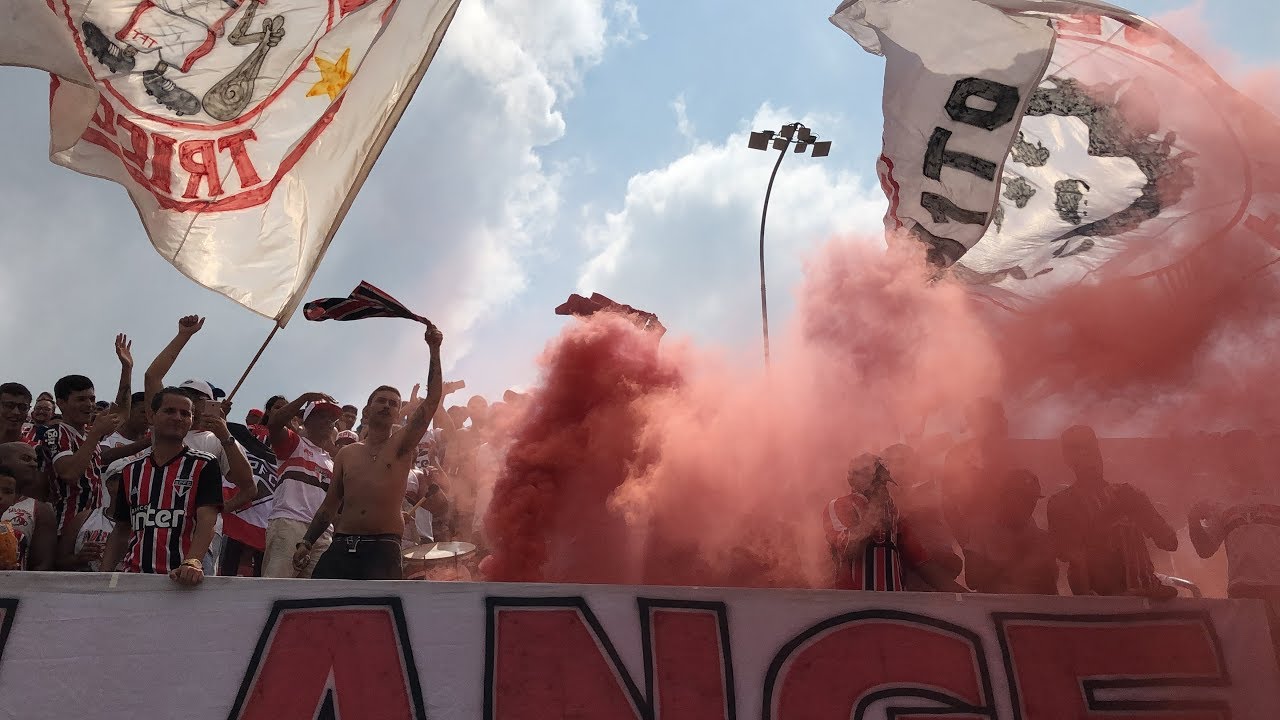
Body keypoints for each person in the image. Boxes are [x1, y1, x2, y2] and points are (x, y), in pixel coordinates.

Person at [295, 324, 445, 580]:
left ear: (399, 413)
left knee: (377, 616)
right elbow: (329, 507)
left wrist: (434, 349)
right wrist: (306, 542)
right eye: (381, 401)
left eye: (393, 404)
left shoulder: (401, 445)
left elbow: (431, 401)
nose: (387, 406)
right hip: (342, 543)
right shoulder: (347, 454)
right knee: (320, 610)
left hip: (383, 546)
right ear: (367, 409)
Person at [101, 388, 224, 586]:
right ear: (151, 416)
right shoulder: (130, 470)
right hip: (134, 578)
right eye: (169, 411)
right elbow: (122, 529)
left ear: (192, 420)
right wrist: (102, 576)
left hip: (181, 581)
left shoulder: (204, 464)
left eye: (185, 414)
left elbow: (207, 520)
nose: (178, 418)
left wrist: (192, 563)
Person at [1047, 425, 1178, 598]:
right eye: (1077, 449)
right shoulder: (1062, 503)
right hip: (1105, 607)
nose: (1086, 455)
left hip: (1150, 599)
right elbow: (1071, 557)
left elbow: (1169, 543)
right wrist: (1111, 513)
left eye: (1090, 447)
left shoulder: (1130, 494)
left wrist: (1148, 517)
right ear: (1068, 459)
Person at [1187, 429, 1280, 659]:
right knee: (1253, 659)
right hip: (1243, 590)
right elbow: (1205, 550)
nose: (1239, 459)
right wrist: (1193, 520)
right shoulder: (1221, 502)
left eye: (1245, 451)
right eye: (1232, 454)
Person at [822, 453, 968, 592]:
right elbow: (849, 548)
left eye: (882, 480)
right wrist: (874, 512)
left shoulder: (892, 513)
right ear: (852, 479)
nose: (880, 485)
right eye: (873, 477)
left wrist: (967, 597)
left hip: (894, 601)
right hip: (852, 604)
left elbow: (921, 562)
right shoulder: (839, 505)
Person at [261, 393, 341, 578]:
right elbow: (274, 423)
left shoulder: (332, 462)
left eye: (332, 419)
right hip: (290, 523)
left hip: (322, 534)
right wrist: (306, 397)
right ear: (307, 421)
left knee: (311, 598)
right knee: (275, 588)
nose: (329, 422)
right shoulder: (293, 443)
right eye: (322, 416)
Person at [44, 375, 119, 536]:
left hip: (90, 526)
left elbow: (122, 411)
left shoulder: (88, 436)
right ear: (61, 403)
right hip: (62, 527)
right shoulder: (56, 431)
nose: (89, 405)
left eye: (92, 399)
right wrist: (96, 433)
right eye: (81, 399)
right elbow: (69, 473)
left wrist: (126, 370)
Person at [964, 469, 1059, 594]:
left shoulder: (1041, 538)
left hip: (1032, 608)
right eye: (1023, 498)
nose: (1030, 505)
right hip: (995, 608)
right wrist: (1012, 556)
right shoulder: (981, 530)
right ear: (1005, 496)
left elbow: (1051, 589)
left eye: (1033, 500)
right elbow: (972, 580)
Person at [0, 443, 57, 570]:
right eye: (25, 459)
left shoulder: (40, 509)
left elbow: (43, 565)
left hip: (14, 586)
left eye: (35, 460)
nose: (33, 464)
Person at [57, 472, 119, 571]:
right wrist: (78, 558)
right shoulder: (85, 518)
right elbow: (58, 562)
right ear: (110, 484)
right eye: (126, 478)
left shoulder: (147, 522)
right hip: (84, 583)